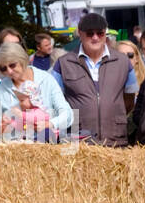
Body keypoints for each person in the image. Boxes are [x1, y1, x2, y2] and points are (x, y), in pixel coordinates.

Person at [54, 13, 137, 146]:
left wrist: (112, 113)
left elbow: (129, 100)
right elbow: (56, 102)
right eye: (90, 33)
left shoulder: (123, 62)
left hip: (114, 140)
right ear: (80, 34)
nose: (95, 37)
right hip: (76, 141)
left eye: (100, 33)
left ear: (105, 33)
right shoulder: (63, 63)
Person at [0, 42, 72, 141]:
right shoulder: (1, 89)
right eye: (3, 68)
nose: (9, 71)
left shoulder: (46, 79)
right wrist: (0, 128)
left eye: (12, 65)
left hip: (48, 146)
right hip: (16, 148)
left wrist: (50, 124)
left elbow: (68, 114)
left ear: (22, 59)